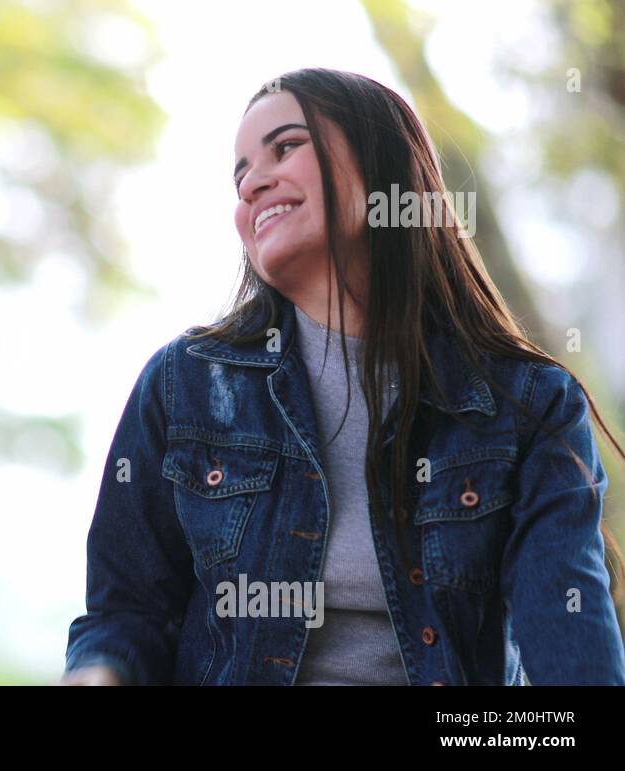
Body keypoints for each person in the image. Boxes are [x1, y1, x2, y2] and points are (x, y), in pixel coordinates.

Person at [63, 68, 625, 686]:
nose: (253, 183)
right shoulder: (186, 385)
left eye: (285, 147)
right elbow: (126, 615)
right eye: (240, 173)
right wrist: (95, 676)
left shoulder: (528, 404)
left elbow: (572, 649)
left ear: (383, 170)